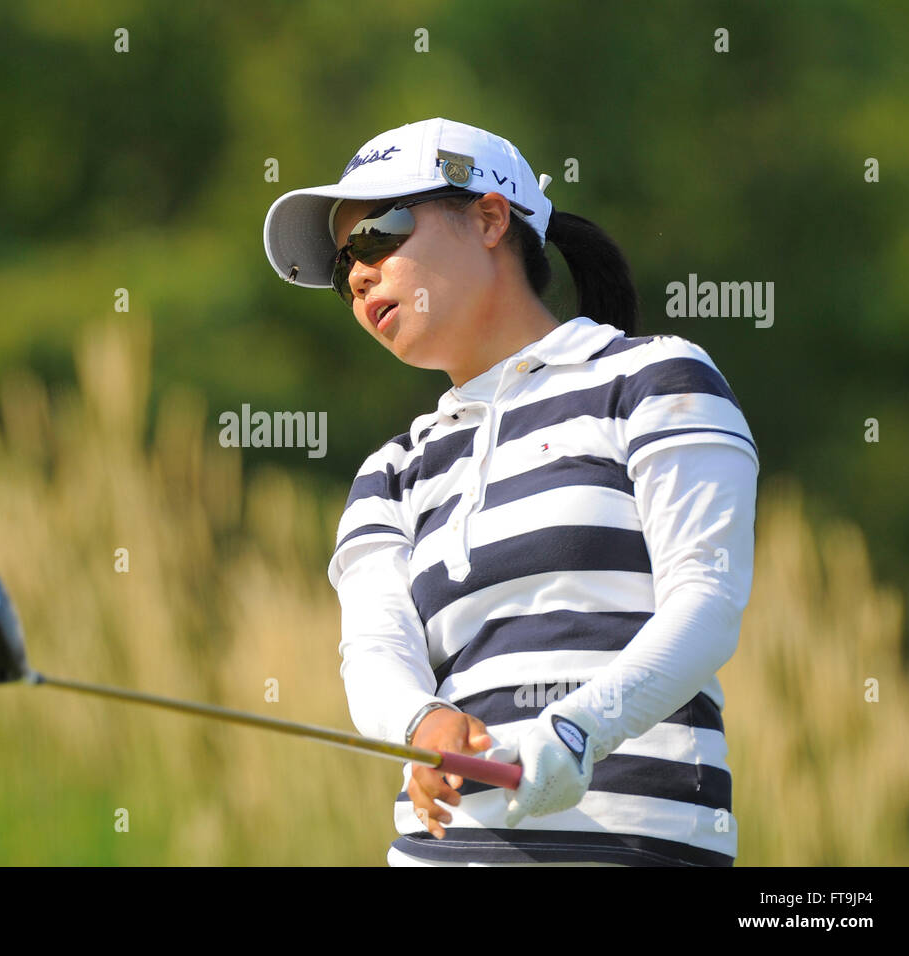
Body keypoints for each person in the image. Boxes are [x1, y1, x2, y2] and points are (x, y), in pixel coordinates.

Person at [263, 118, 758, 866]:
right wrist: (424, 725)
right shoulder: (391, 470)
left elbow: (709, 600)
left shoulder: (654, 378)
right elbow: (374, 649)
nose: (359, 275)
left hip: (636, 847)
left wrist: (579, 728)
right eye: (342, 268)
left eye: (377, 237)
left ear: (491, 217)